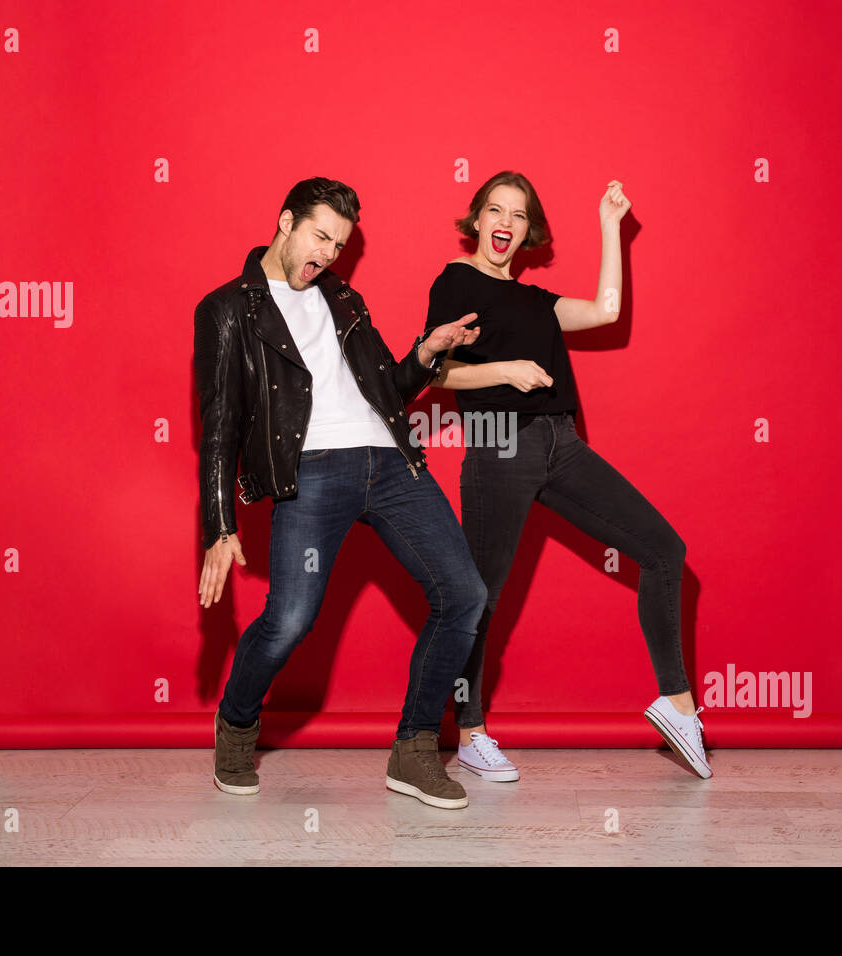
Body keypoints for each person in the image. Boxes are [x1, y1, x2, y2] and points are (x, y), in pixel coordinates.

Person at [195, 176, 487, 808]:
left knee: (465, 595)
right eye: (320, 236)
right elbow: (218, 427)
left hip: (391, 463)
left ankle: (414, 751)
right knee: (290, 619)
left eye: (339, 244)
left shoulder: (344, 298)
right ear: (285, 222)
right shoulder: (227, 309)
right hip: (311, 471)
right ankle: (237, 725)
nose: (327, 253)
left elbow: (390, 389)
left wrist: (428, 352)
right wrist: (219, 526)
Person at [423, 171, 712, 780]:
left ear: (528, 230)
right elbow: (435, 371)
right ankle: (469, 733)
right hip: (498, 444)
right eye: (495, 210)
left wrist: (610, 226)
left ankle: (677, 704)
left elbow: (607, 311)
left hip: (563, 444)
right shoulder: (455, 281)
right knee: (480, 596)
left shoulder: (537, 301)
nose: (505, 222)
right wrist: (506, 370)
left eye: (518, 214)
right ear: (477, 220)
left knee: (664, 550)